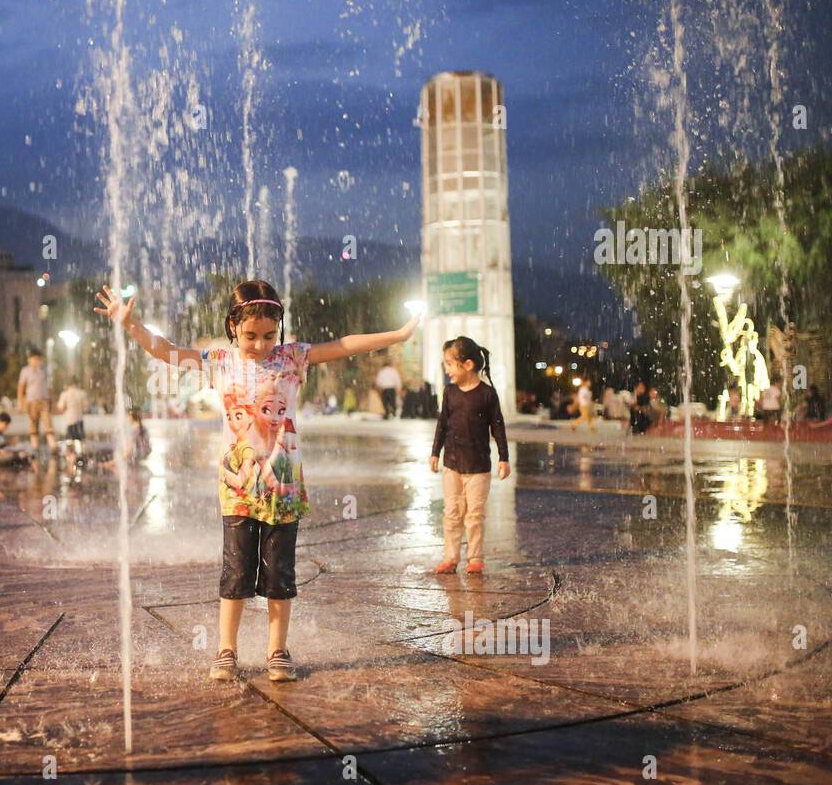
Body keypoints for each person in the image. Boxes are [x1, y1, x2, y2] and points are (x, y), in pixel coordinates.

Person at [96, 278, 419, 683]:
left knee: (280, 574)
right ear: (233, 327)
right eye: (251, 335)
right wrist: (132, 325)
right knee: (235, 572)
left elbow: (345, 344)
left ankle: (277, 650)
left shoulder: (291, 359)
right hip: (238, 485)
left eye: (269, 335)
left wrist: (401, 334)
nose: (261, 344)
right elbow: (166, 352)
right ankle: (226, 650)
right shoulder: (219, 360)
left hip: (283, 484)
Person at [430, 336, 510, 575]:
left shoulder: (487, 394)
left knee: (474, 515)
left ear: (468, 365)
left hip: (478, 467)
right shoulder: (450, 392)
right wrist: (435, 452)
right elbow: (442, 424)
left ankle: (475, 558)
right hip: (452, 464)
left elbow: (498, 426)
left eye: (449, 364)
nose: (447, 370)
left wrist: (504, 458)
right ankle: (450, 558)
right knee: (452, 513)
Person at [17, 349, 57, 452]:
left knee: (48, 423)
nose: (36, 361)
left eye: (39, 359)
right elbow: (21, 387)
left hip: (44, 401)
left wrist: (53, 402)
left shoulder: (44, 371)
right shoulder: (25, 371)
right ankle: (34, 446)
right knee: (33, 424)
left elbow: (49, 387)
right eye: (34, 359)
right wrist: (20, 403)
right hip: (32, 401)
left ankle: (52, 445)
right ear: (29, 360)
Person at [56, 380, 89, 460]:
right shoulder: (82, 393)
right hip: (79, 419)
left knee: (70, 439)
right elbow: (86, 407)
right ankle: (79, 456)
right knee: (79, 438)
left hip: (70, 420)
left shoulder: (65, 394)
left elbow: (60, 407)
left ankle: (70, 458)